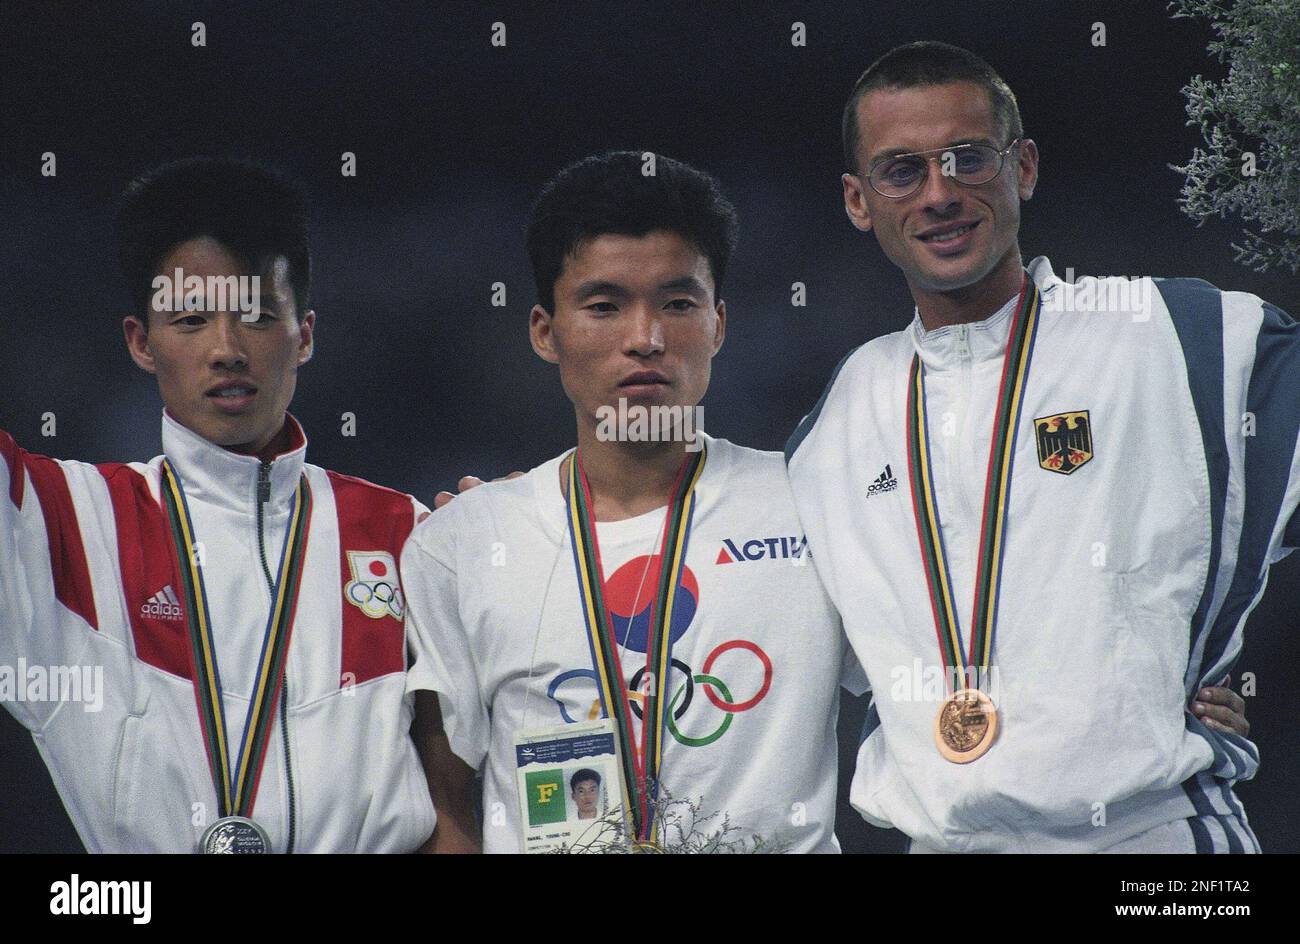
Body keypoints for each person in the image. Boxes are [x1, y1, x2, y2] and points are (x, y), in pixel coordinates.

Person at [785, 41, 1286, 852]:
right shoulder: (834, 425)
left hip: (1151, 842)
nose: (940, 193)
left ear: (1023, 166)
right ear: (857, 199)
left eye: (968, 159)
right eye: (903, 171)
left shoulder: (1172, 334)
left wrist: (1171, 667)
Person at [402, 151, 866, 854]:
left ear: (718, 323)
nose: (644, 338)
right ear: (543, 331)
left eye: (678, 303)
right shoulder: (462, 544)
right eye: (604, 305)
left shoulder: (818, 506)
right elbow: (445, 807)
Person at [0, 157, 435, 852]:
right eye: (191, 319)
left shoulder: (411, 535)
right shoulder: (57, 523)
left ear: (307, 334)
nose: (227, 349)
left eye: (258, 316)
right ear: (141, 343)